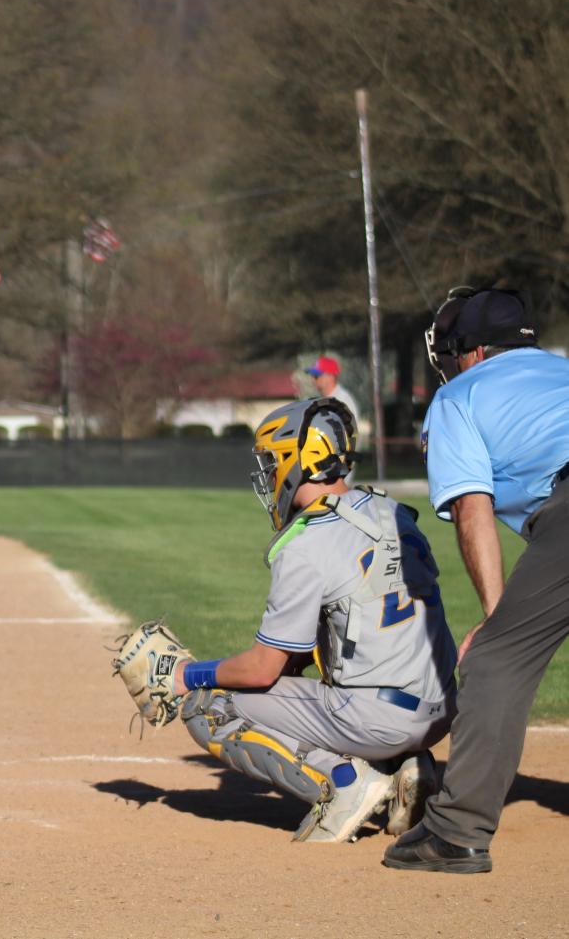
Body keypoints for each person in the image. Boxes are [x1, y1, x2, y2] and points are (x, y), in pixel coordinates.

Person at [169, 398, 457, 843]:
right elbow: (305, 653)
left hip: (380, 717)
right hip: (441, 709)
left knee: (208, 706)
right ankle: (407, 766)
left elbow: (265, 667)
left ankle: (344, 783)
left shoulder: (307, 541)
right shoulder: (391, 511)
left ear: (299, 460)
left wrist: (189, 673)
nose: (268, 474)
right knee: (337, 676)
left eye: (272, 460)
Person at [384, 287, 569, 873]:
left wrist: (494, 619)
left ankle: (455, 832)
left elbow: (471, 507)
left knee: (494, 662)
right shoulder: (561, 372)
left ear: (473, 351)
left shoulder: (459, 395)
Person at [304, 355, 361, 424]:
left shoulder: (343, 401)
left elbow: (349, 432)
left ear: (330, 376)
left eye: (316, 376)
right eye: (312, 376)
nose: (313, 380)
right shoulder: (321, 399)